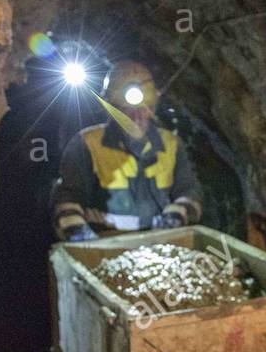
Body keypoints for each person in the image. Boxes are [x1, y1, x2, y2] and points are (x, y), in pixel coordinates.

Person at [51, 60, 203, 241]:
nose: (137, 117)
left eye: (144, 108)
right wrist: (81, 238)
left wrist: (175, 216)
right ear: (111, 109)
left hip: (160, 244)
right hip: (104, 241)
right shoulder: (86, 144)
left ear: (153, 107)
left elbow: (189, 192)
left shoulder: (171, 144)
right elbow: (66, 199)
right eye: (127, 111)